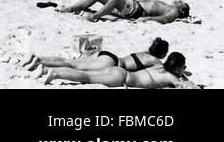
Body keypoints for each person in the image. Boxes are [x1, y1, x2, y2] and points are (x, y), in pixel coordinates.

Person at [43, 51, 199, 88]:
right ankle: (55, 73)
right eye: (182, 68)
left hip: (120, 71)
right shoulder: (170, 78)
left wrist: (181, 74)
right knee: (87, 77)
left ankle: (47, 70)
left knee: (85, 73)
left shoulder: (158, 66)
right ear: (178, 68)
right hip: (122, 78)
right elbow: (184, 86)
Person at [21, 38, 168, 74]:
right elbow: (164, 73)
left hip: (108, 55)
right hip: (112, 63)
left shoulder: (143, 53)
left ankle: (38, 58)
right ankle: (41, 64)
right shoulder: (155, 61)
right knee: (74, 66)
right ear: (162, 54)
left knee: (71, 61)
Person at [54, 0, 190, 24]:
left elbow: (164, 19)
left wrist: (147, 19)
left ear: (182, 9)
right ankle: (70, 8)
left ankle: (94, 17)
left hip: (137, 11)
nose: (179, 0)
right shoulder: (172, 8)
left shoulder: (174, 11)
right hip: (134, 5)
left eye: (181, 2)